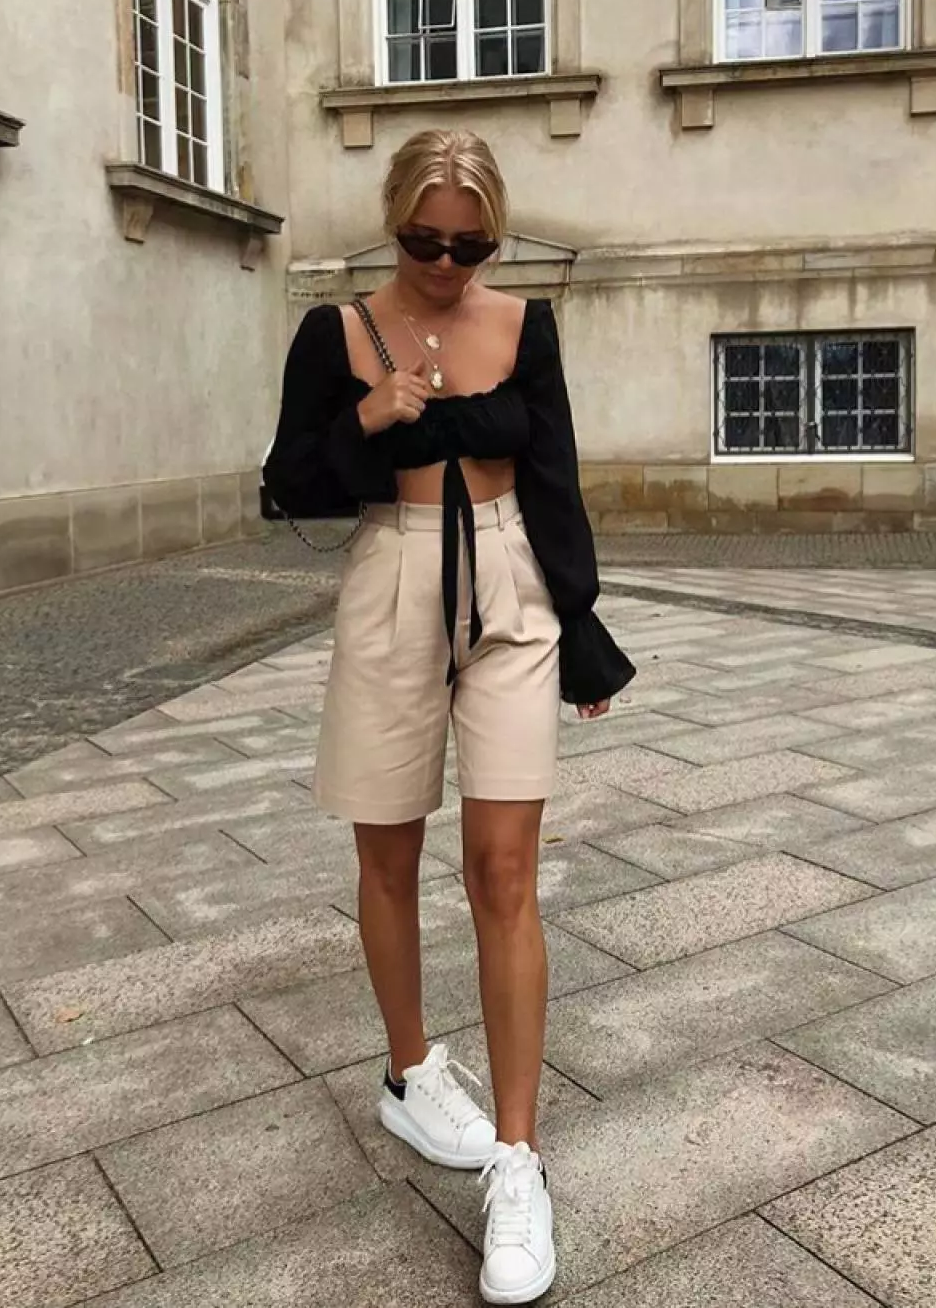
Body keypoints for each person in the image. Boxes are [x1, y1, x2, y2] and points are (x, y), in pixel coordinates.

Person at [263, 128, 634, 1305]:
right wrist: (368, 415)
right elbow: (288, 486)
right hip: (391, 577)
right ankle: (413, 1070)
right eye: (426, 238)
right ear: (394, 221)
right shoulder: (336, 331)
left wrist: (580, 622)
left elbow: (556, 474)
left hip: (514, 586)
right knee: (386, 848)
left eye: (471, 242)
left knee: (505, 866)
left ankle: (518, 1158)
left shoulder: (525, 326)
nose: (447, 261)